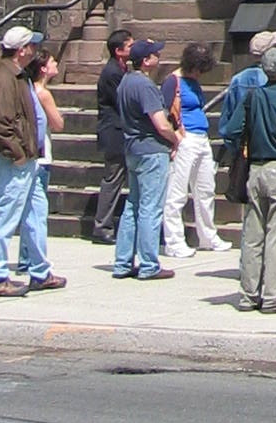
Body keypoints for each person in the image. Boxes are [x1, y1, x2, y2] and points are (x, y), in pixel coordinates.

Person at [219, 39, 276, 314]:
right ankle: (275, 296)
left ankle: (248, 295)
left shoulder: (252, 96)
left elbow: (231, 130)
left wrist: (241, 152)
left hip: (256, 170)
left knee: (253, 235)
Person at [0, 24, 46, 296]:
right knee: (4, 217)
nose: (35, 50)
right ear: (22, 50)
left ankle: (39, 271)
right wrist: (18, 153)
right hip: (12, 159)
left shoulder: (15, 74)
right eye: (32, 45)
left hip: (25, 157)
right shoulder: (2, 78)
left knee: (32, 214)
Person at [112, 39, 179, 282]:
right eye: (155, 55)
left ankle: (122, 262)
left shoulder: (125, 82)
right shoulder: (145, 85)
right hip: (151, 150)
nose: (158, 58)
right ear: (146, 60)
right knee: (151, 208)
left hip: (132, 149)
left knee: (133, 205)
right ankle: (149, 263)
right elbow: (160, 123)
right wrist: (175, 140)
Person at [162, 42, 230, 258]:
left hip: (201, 137)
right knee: (177, 191)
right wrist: (174, 139)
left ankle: (208, 236)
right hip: (185, 138)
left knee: (205, 189)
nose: (200, 74)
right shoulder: (173, 81)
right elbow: (165, 112)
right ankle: (174, 241)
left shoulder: (192, 81)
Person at [22, 44, 67, 293]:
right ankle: (35, 263)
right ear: (42, 68)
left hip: (30, 157)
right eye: (53, 62)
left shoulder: (26, 90)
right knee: (37, 212)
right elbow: (57, 123)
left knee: (28, 210)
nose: (56, 66)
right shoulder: (43, 93)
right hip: (40, 158)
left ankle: (26, 256)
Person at [91, 28, 133, 243]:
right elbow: (121, 101)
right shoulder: (112, 73)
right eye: (130, 46)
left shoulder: (122, 70)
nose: (133, 49)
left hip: (123, 132)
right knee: (113, 179)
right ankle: (102, 226)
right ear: (119, 51)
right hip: (114, 132)